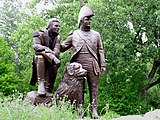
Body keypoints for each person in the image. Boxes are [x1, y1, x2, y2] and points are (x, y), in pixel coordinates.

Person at [60, 5, 106, 119]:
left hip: (92, 63)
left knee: (94, 88)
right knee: (78, 89)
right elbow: (62, 47)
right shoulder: (74, 34)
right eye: (87, 19)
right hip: (78, 65)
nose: (89, 21)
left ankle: (94, 110)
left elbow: (100, 50)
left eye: (90, 19)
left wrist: (103, 64)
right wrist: (56, 38)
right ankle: (79, 111)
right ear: (81, 20)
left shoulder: (96, 34)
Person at [29, 17, 60, 96]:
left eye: (59, 26)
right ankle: (41, 83)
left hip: (51, 60)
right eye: (56, 26)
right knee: (40, 56)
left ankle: (50, 87)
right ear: (50, 26)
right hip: (40, 59)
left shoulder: (57, 37)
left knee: (55, 62)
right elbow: (36, 46)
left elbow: (57, 52)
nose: (58, 28)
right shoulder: (39, 34)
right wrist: (48, 51)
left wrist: (51, 54)